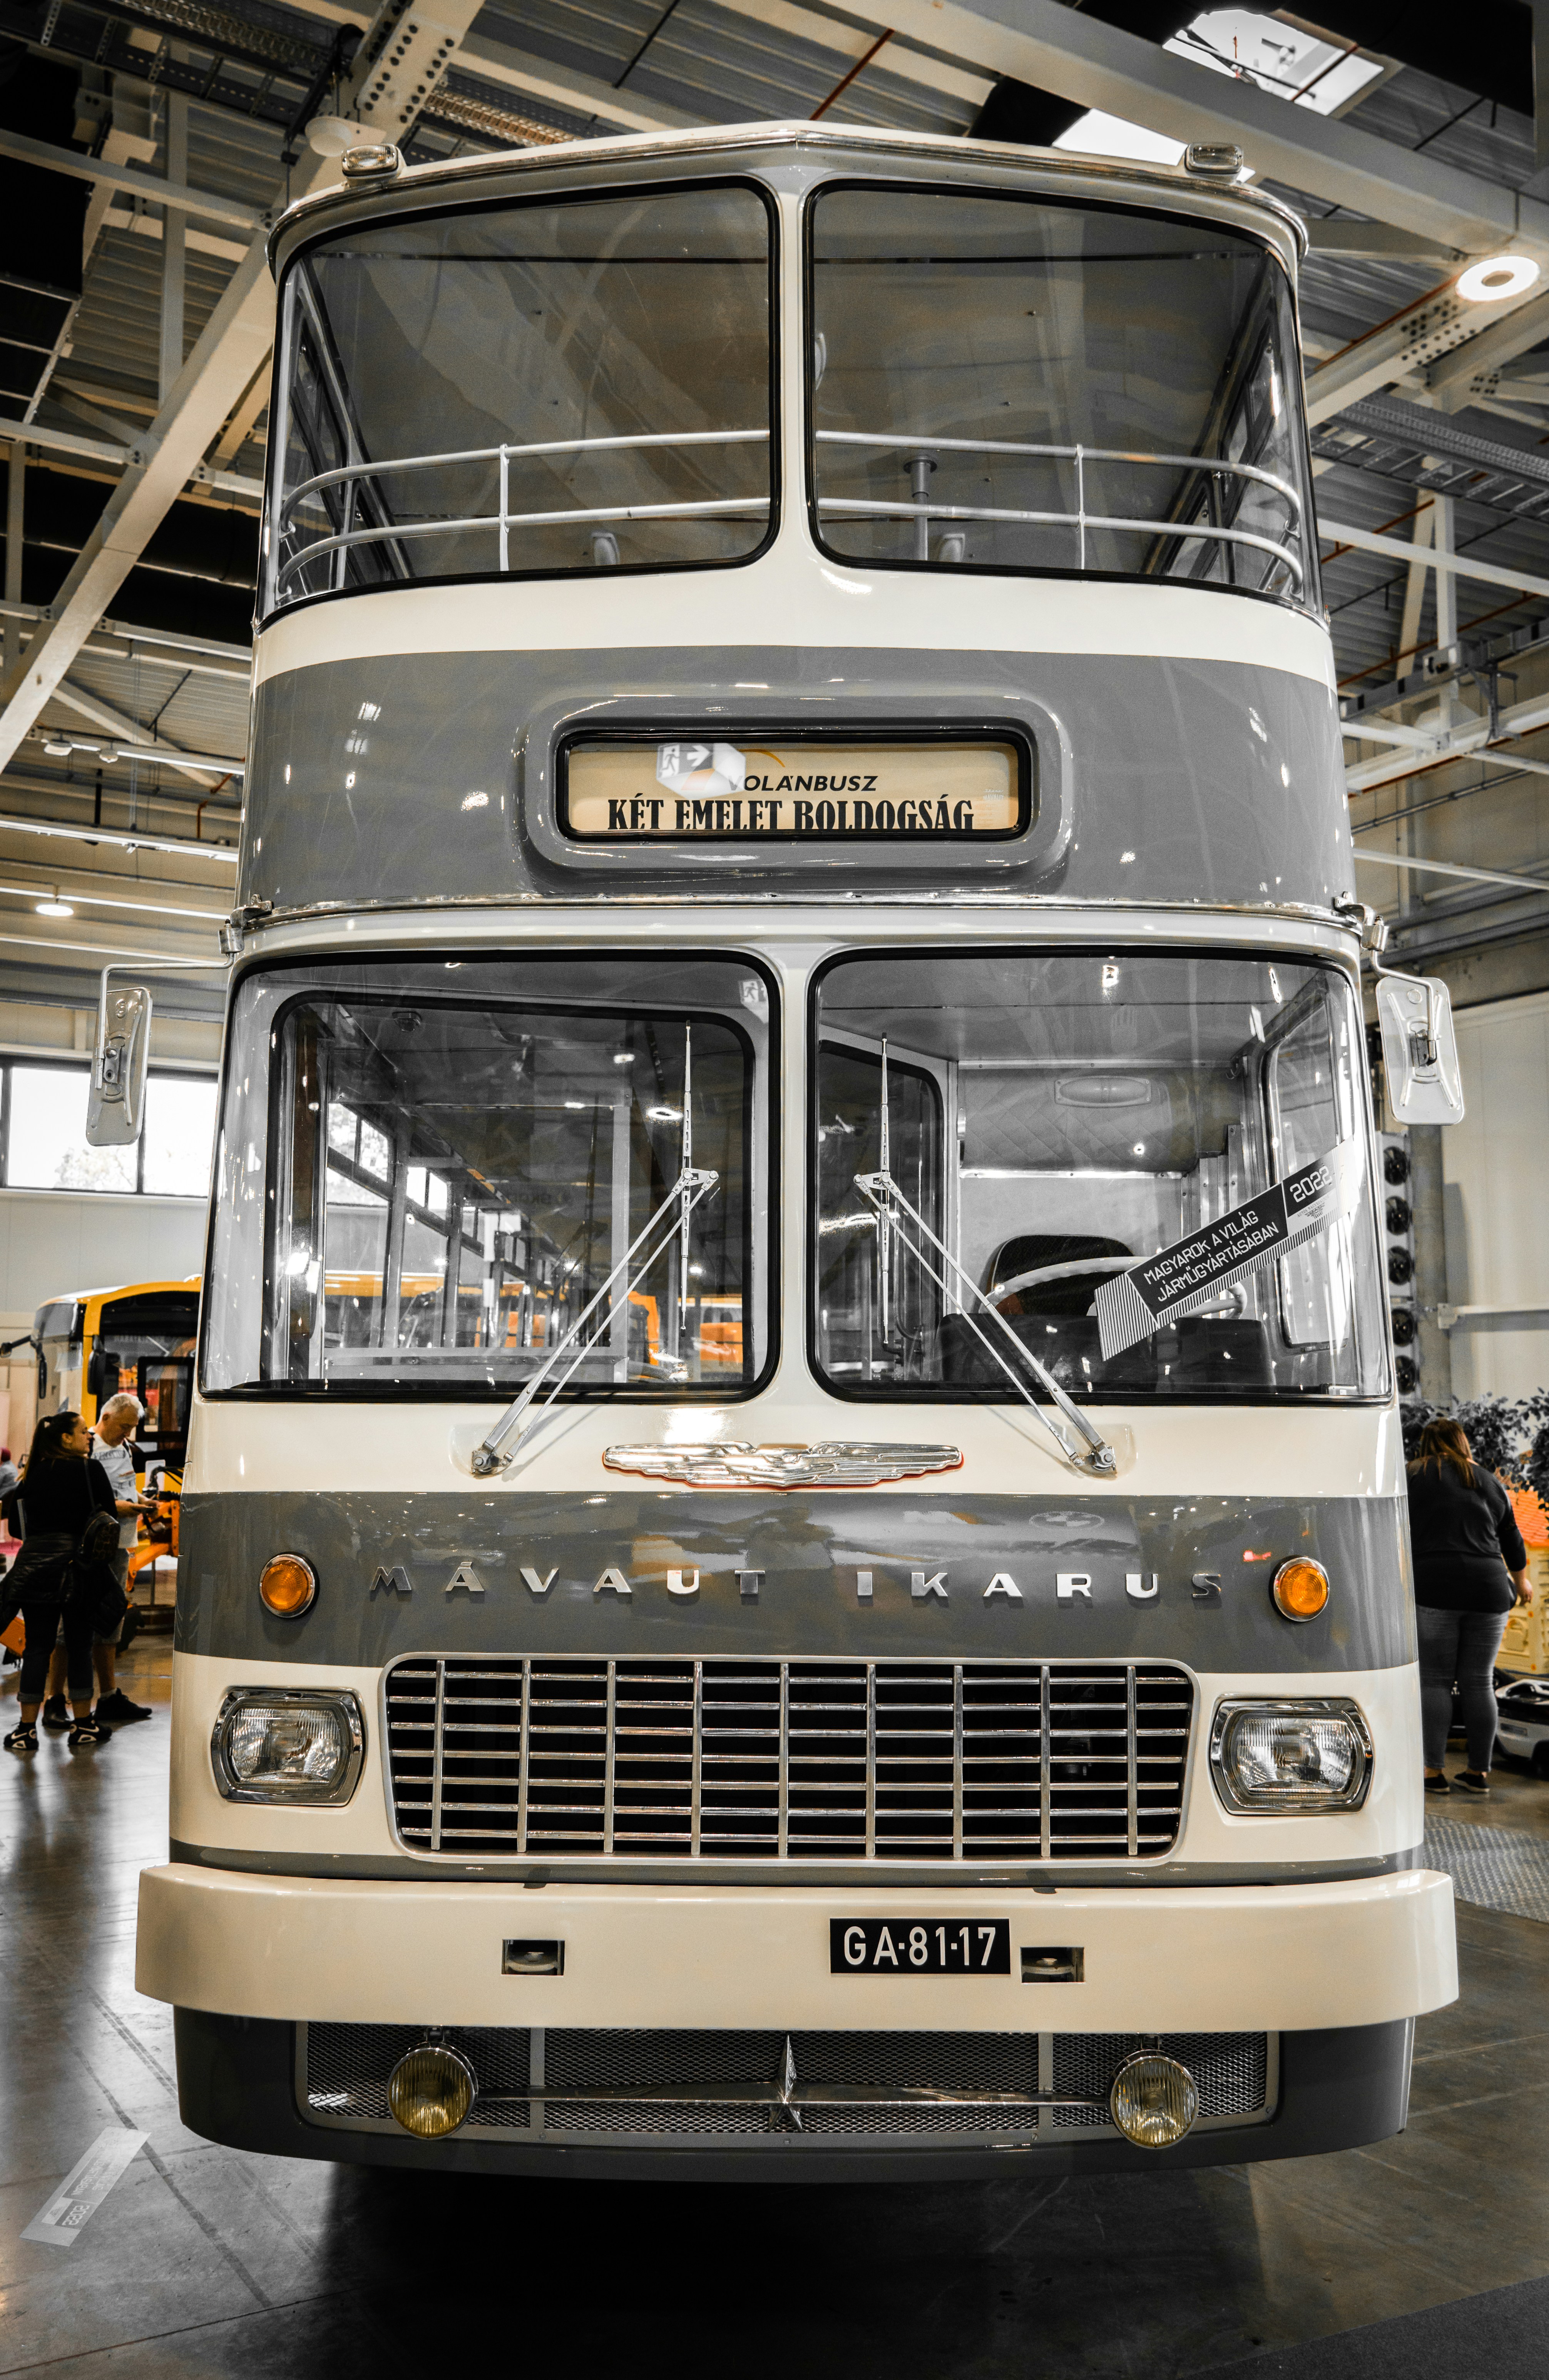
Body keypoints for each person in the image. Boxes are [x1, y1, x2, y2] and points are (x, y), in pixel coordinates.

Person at [1405, 1416, 1531, 1795]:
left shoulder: (1412, 1475)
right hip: (1489, 1588)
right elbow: (1512, 1537)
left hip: (1436, 1585)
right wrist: (1522, 1582)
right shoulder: (1488, 1480)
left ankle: (1433, 1772)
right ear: (1462, 1442)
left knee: (1435, 1679)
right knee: (1479, 1680)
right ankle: (1478, 1773)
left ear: (1425, 1444)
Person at [1, 1411, 117, 1753]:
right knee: (80, 1646)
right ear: (66, 1438)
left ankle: (26, 1730)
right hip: (78, 1570)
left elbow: (17, 1528)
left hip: (35, 1569)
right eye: (83, 1432)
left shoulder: (33, 1474)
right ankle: (83, 1725)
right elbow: (109, 1516)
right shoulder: (90, 1470)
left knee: (38, 1648)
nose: (88, 1436)